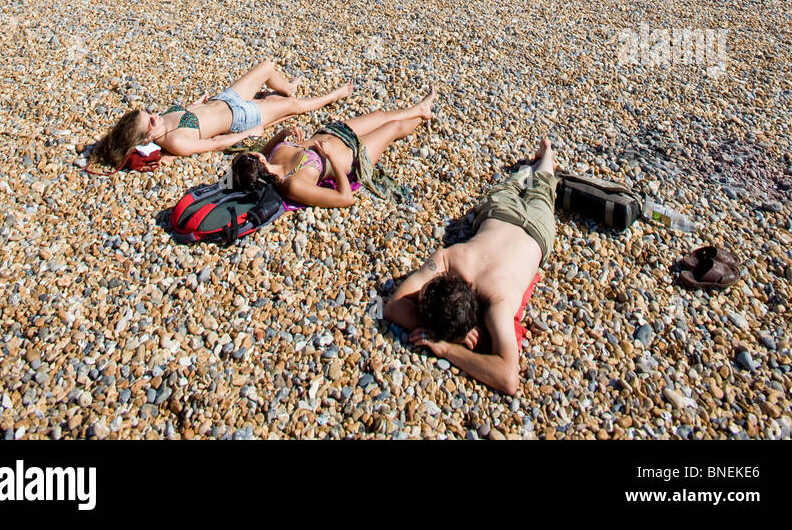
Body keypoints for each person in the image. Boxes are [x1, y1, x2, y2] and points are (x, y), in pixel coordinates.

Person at [384, 139, 557, 394]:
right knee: (526, 187)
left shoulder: (495, 301)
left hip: (534, 231)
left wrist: (445, 346)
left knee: (541, 191)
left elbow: (509, 379)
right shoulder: (452, 259)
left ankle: (543, 161)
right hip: (503, 216)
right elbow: (393, 307)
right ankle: (544, 158)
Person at [92, 62, 353, 169]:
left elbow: (188, 114)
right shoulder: (176, 142)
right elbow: (215, 143)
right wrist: (248, 134)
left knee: (267, 66)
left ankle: (287, 86)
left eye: (148, 111)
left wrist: (195, 105)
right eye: (150, 120)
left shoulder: (162, 122)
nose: (154, 115)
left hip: (225, 98)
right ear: (146, 136)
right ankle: (336, 95)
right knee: (293, 105)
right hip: (241, 117)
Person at [228, 87, 435, 210]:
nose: (257, 152)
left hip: (336, 133)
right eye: (253, 154)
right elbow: (345, 199)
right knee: (393, 127)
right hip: (354, 156)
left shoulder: (270, 157)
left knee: (380, 116)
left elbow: (266, 149)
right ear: (259, 163)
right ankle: (422, 116)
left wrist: (283, 134)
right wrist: (331, 157)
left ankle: (419, 108)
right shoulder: (292, 184)